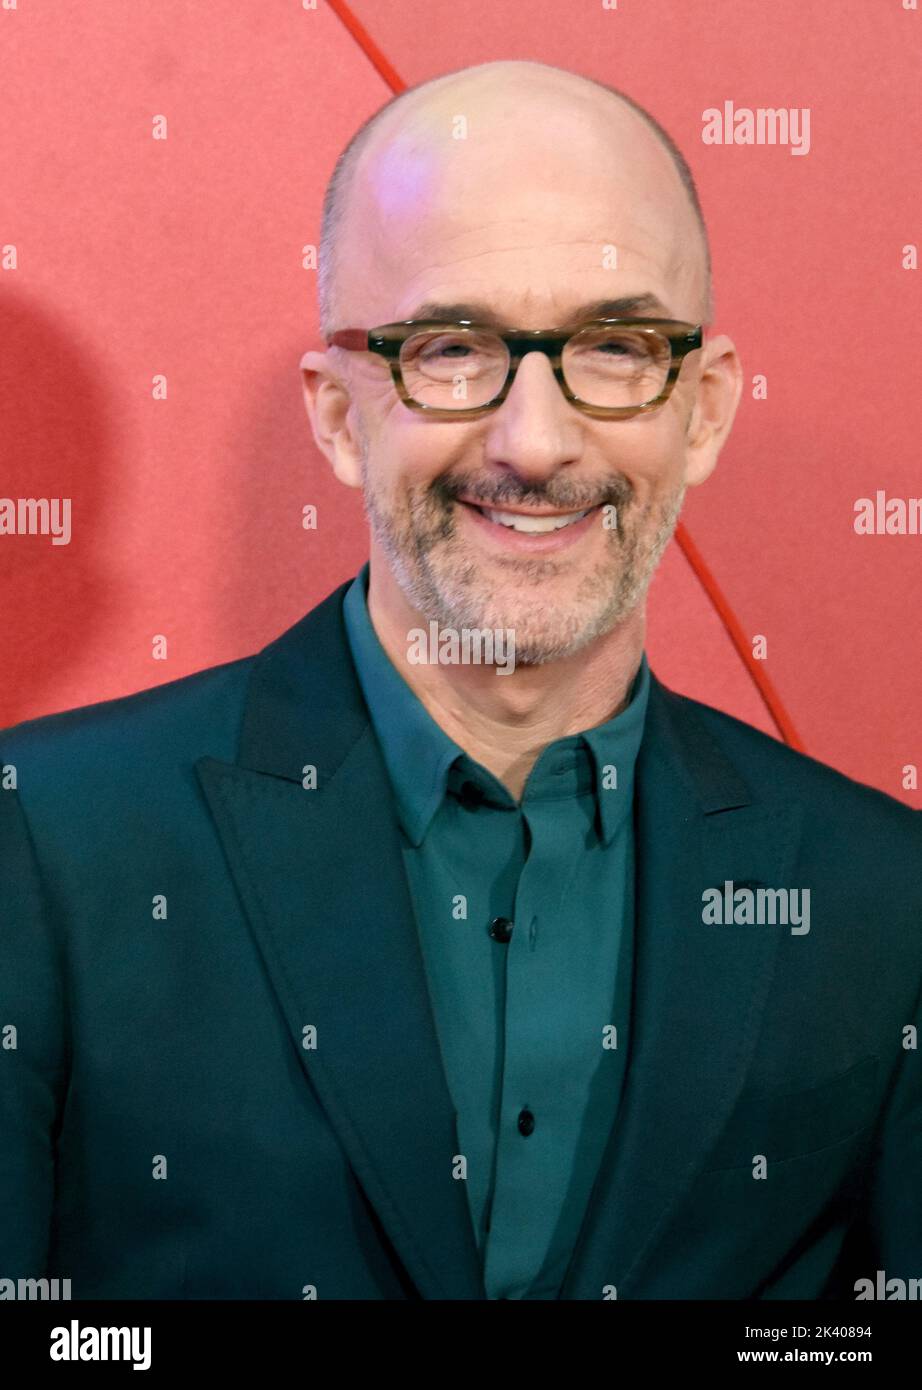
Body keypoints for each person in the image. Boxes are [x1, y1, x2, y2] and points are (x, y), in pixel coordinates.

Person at [1, 59, 920, 1301]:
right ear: (338, 416)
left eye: (614, 345)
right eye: (450, 347)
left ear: (700, 410)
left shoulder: (880, 899)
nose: (533, 443)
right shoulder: (46, 844)